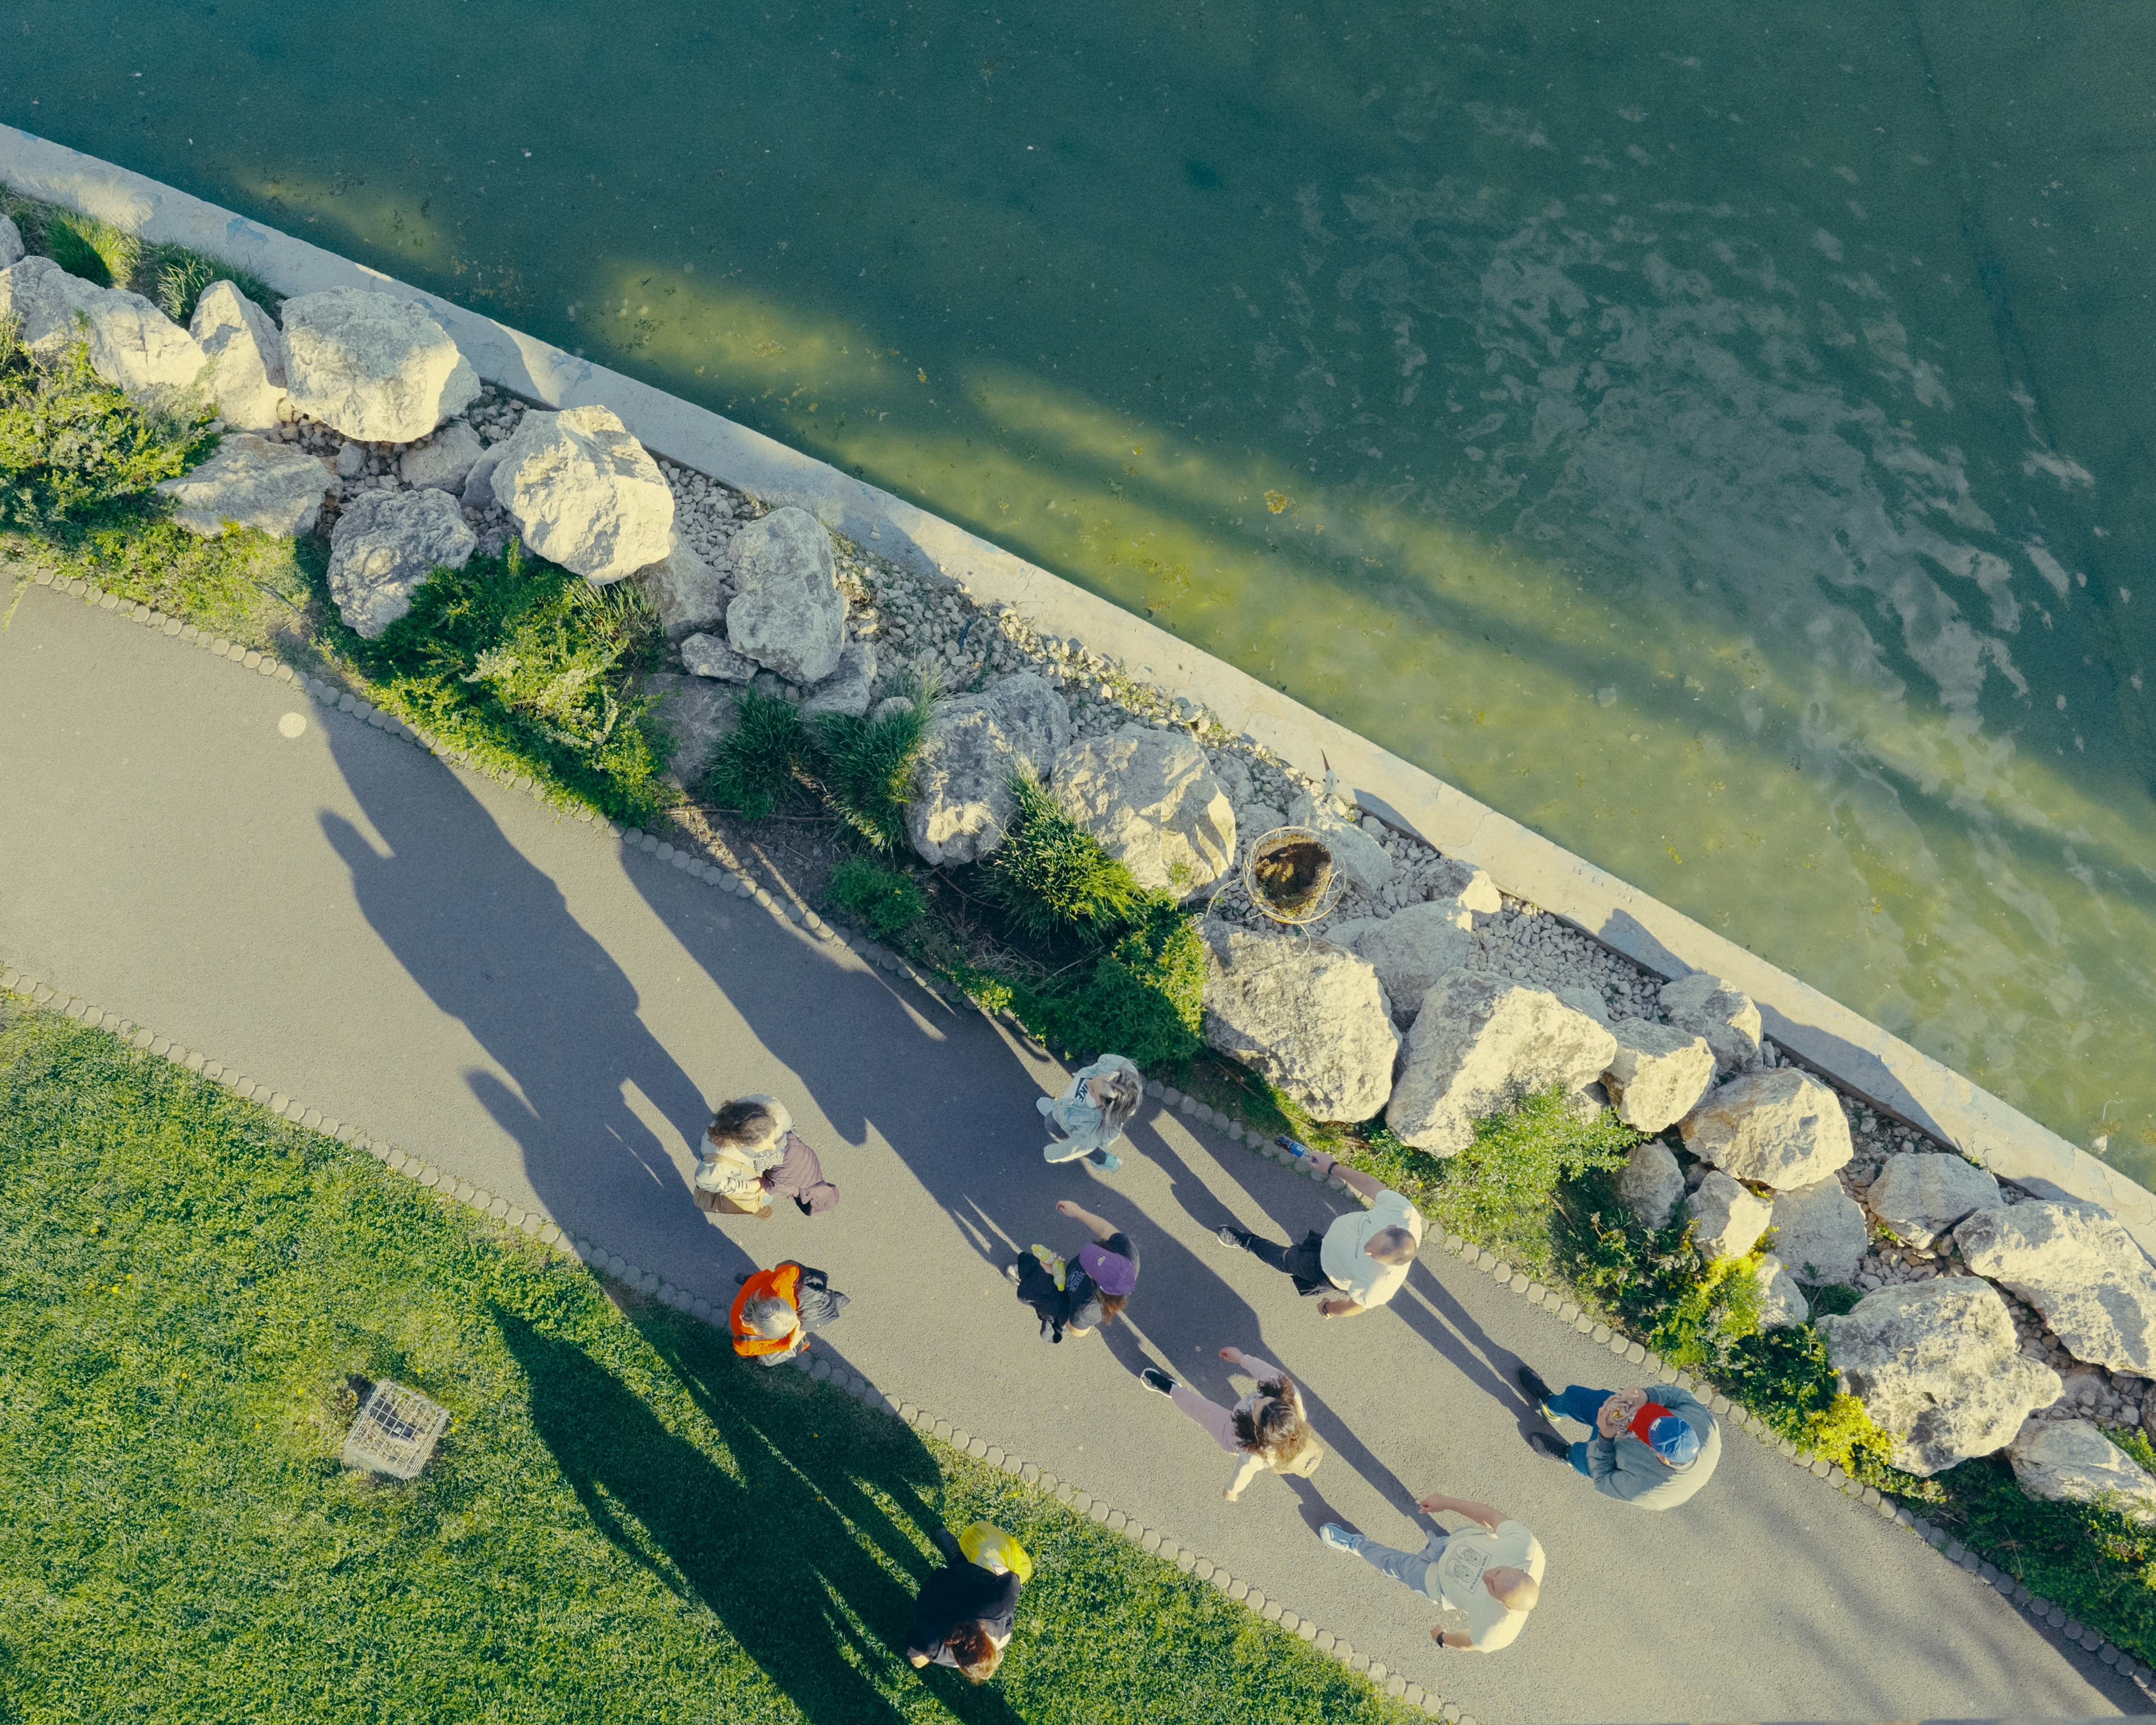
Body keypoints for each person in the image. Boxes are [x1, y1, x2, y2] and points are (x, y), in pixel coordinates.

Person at [1318, 1492, 1544, 1653]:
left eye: (1492, 1587)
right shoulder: (1526, 1548)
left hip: (1435, 1583)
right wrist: (1446, 1502)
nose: (1487, 1576)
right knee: (1438, 1543)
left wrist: (1442, 1639)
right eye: (1498, 1571)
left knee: (1392, 1564)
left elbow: (1469, 1642)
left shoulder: (1497, 1630)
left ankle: (1355, 1544)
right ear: (1517, 1568)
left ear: (1504, 1605)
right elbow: (1493, 1518)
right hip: (1454, 1544)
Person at [1215, 1151, 1423, 1318]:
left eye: (1374, 1256)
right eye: (1371, 1243)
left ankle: (1249, 1242)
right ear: (1391, 1226)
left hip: (1325, 1269)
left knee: (1286, 1260)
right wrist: (1333, 1168)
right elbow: (1372, 1186)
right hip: (1329, 1245)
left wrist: (1328, 1309)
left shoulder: (1379, 1285)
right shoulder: (1402, 1212)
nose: (1367, 1251)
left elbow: (1354, 1307)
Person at [1516, 1365, 1719, 1509]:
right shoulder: (1707, 1426)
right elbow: (1679, 1397)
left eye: (1644, 1431)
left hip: (1609, 1453)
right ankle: (1550, 1407)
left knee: (1583, 1458)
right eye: (1656, 1417)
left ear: (1663, 1458)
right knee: (1575, 1399)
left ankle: (1567, 1455)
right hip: (1618, 1417)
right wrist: (1647, 1396)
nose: (1636, 1421)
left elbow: (1603, 1478)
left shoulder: (1651, 1492)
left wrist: (1605, 1437)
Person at [1137, 1347, 1321, 1499]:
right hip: (1257, 1430)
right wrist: (1243, 1359)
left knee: (1200, 1411)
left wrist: (1232, 1491)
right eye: (1265, 1400)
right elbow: (1268, 1373)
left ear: (1258, 1433)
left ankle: (1173, 1390)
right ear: (1282, 1402)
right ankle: (1176, 1392)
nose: (1255, 1402)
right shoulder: (1290, 1393)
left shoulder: (1255, 1453)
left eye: (1255, 1411)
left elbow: (1244, 1473)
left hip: (1233, 1432)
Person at [1006, 1199, 1139, 1344]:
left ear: (1095, 1283)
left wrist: (1050, 1278)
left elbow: (1077, 1331)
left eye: (1091, 1268)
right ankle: (1032, 1273)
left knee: (1037, 1288)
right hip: (1071, 1286)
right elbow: (1105, 1229)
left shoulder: (1084, 1311)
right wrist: (1079, 1212)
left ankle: (1026, 1278)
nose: (1085, 1260)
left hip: (1066, 1304)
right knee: (1043, 1269)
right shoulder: (1127, 1252)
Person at [905, 1525, 1023, 1683]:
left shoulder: (1000, 1606)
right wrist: (924, 1659)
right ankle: (955, 1554)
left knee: (1003, 1636)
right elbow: (914, 1652)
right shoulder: (932, 1643)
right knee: (920, 1663)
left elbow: (1012, 1579)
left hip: (951, 1581)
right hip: (937, 1590)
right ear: (959, 1663)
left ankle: (955, 1553)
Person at [694, 1094, 839, 1219]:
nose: (775, 1148)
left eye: (774, 1136)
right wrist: (746, 1186)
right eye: (765, 1147)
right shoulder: (721, 1162)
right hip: (735, 1170)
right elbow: (705, 1183)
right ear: (743, 1144)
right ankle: (755, 1206)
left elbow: (791, 1129)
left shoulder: (773, 1109)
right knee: (763, 1198)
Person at [728, 1260, 848, 1365]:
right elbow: (792, 1267)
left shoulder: (746, 1338)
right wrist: (789, 1345)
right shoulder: (747, 1343)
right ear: (760, 1332)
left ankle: (749, 1281)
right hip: (762, 1281)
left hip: (756, 1284)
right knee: (765, 1360)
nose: (797, 1323)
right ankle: (799, 1347)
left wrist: (796, 1326)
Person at [1038, 1054, 1143, 1172]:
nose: (1089, 1083)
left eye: (1093, 1089)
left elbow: (1075, 1148)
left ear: (1103, 1106)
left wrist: (1051, 1154)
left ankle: (1103, 1161)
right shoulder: (1118, 1078)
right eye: (1096, 1078)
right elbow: (1108, 1059)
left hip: (1074, 1124)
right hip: (1070, 1107)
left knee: (1052, 1123)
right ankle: (1058, 1110)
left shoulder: (1090, 1129)